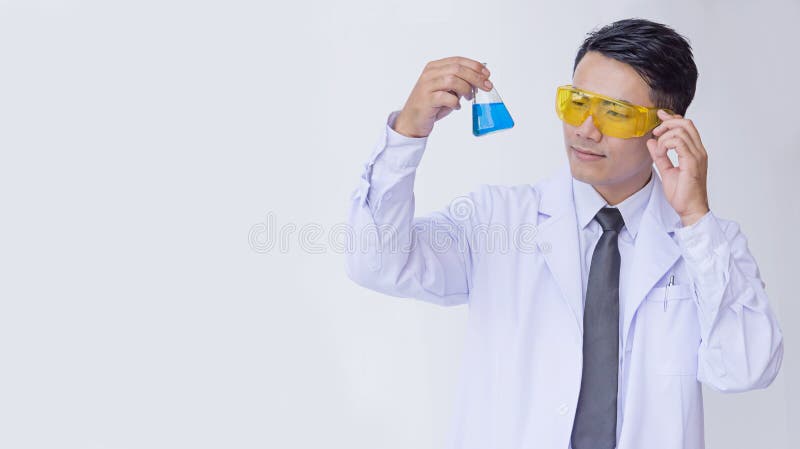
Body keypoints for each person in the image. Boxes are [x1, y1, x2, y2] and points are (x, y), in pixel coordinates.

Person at [344, 18, 783, 449]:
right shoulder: (498, 222)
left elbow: (745, 368)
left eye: (614, 112)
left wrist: (695, 218)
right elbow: (375, 262)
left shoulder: (708, 243)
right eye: (577, 103)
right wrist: (406, 134)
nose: (585, 130)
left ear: (666, 128)